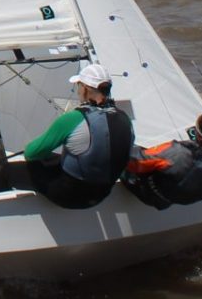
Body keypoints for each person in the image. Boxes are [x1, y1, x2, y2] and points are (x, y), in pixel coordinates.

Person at [22, 61, 134, 209]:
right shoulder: (125, 118)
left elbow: (31, 152)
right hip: (101, 195)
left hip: (69, 197)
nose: (77, 91)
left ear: (85, 88)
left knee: (33, 162)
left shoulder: (73, 118)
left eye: (78, 85)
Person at [123, 112, 202, 209]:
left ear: (198, 136)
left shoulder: (176, 152)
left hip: (147, 192)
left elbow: (133, 163)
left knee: (130, 153)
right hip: (171, 200)